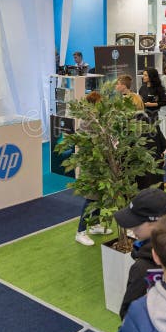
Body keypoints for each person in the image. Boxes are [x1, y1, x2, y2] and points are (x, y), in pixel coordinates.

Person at [114, 187, 166, 319]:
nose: (131, 229)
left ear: (155, 223)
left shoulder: (142, 269)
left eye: (136, 224)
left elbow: (128, 316)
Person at [74, 91, 114, 246]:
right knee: (90, 198)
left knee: (98, 196)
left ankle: (95, 225)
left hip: (101, 164)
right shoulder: (87, 121)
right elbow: (87, 143)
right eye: (100, 103)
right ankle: (80, 231)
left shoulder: (99, 119)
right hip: (91, 166)